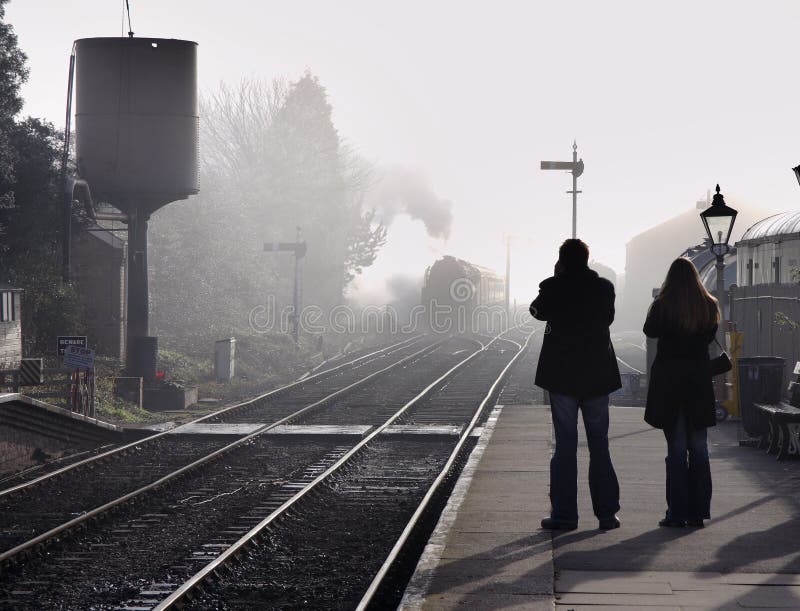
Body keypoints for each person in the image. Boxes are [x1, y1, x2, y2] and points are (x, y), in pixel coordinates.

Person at [530, 239, 622, 531]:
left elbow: (536, 311)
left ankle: (565, 516)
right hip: (597, 375)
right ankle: (607, 514)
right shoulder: (604, 288)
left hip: (563, 377)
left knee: (565, 447)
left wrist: (556, 279)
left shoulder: (555, 288)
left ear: (562, 261)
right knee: (600, 446)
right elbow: (608, 318)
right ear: (587, 259)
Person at [643, 257, 719, 528]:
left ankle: (676, 513)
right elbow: (710, 337)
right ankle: (698, 512)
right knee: (699, 448)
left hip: (670, 385)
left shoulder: (663, 306)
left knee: (676, 449)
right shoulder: (709, 305)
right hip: (698, 384)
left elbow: (649, 330)